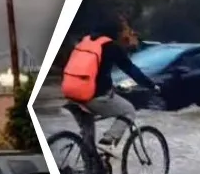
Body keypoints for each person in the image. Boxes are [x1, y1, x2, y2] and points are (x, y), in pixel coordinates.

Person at [61, 17, 160, 159]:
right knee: (128, 111)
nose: (124, 34)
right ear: (115, 32)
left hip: (72, 94)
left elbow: (91, 71)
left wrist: (111, 86)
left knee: (88, 138)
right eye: (122, 30)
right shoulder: (111, 46)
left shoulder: (86, 41)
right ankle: (108, 141)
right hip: (93, 96)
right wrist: (151, 85)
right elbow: (131, 70)